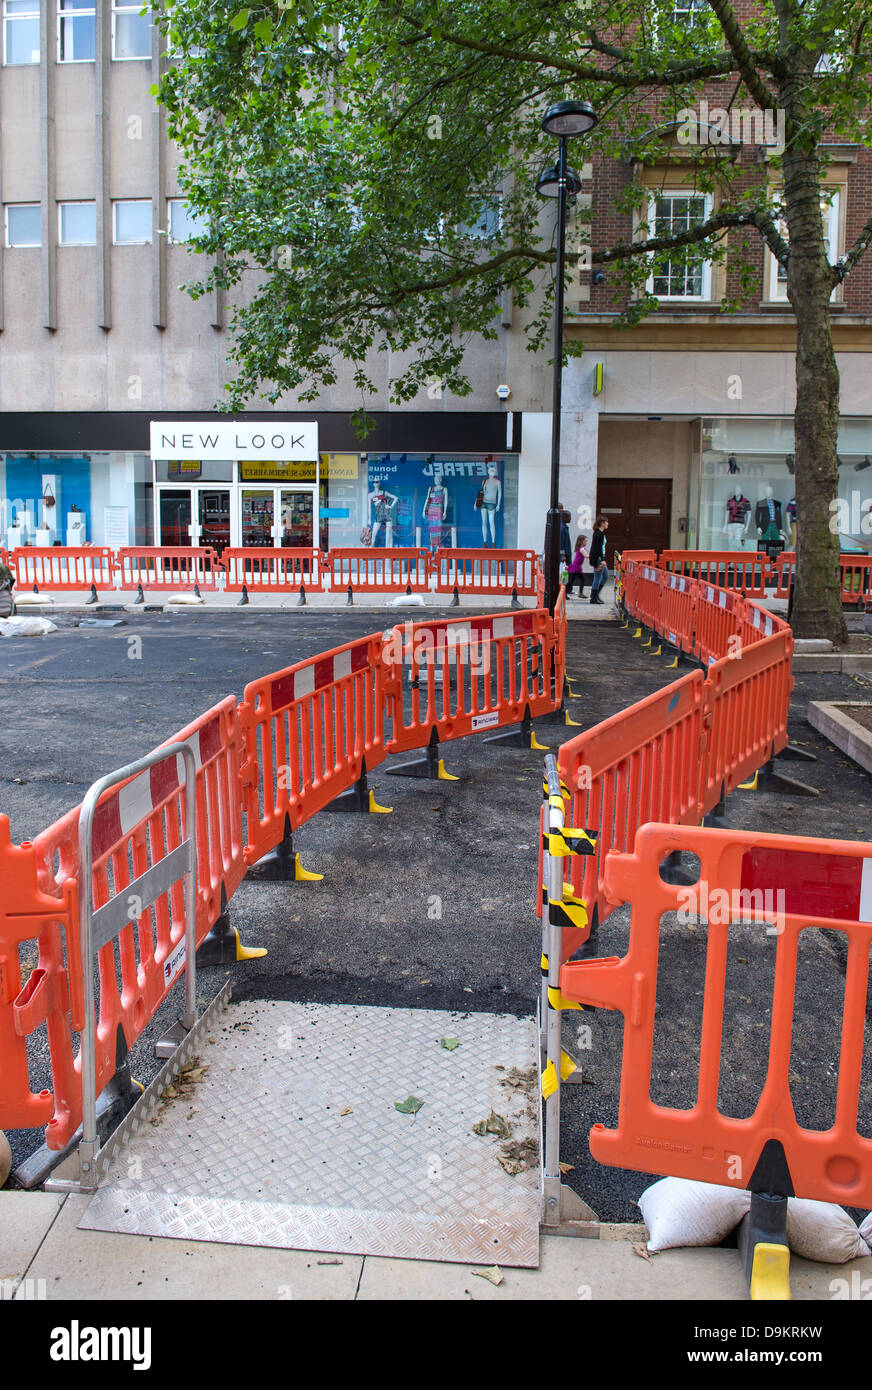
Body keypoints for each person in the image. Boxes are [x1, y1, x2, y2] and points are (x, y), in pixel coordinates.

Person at [589, 515, 609, 604]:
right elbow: (598, 548)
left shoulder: (601, 533)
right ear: (602, 523)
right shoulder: (598, 533)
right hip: (598, 559)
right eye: (606, 522)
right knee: (597, 578)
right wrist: (602, 560)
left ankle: (596, 595)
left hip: (600, 558)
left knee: (606, 576)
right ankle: (593, 598)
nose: (608, 524)